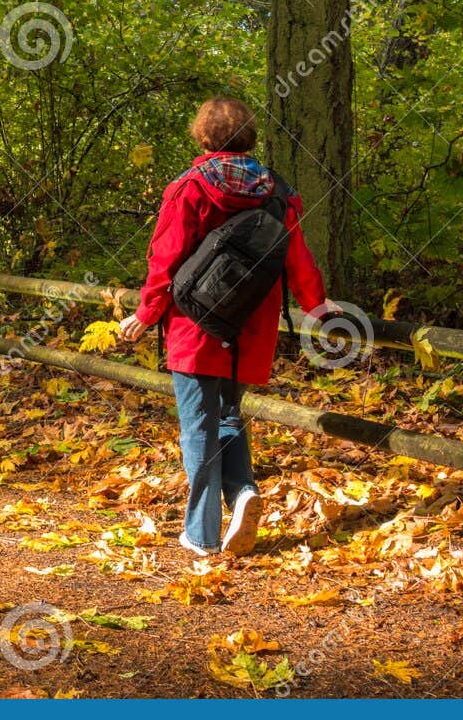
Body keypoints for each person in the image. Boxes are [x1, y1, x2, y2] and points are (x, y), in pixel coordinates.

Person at [117, 97, 337, 557]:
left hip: (195, 322)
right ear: (250, 137)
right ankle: (242, 494)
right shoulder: (277, 190)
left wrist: (146, 312)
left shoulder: (190, 188)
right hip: (252, 322)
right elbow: (297, 256)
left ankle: (201, 534)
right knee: (229, 415)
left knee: (198, 424)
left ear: (202, 137)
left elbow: (165, 259)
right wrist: (316, 304)